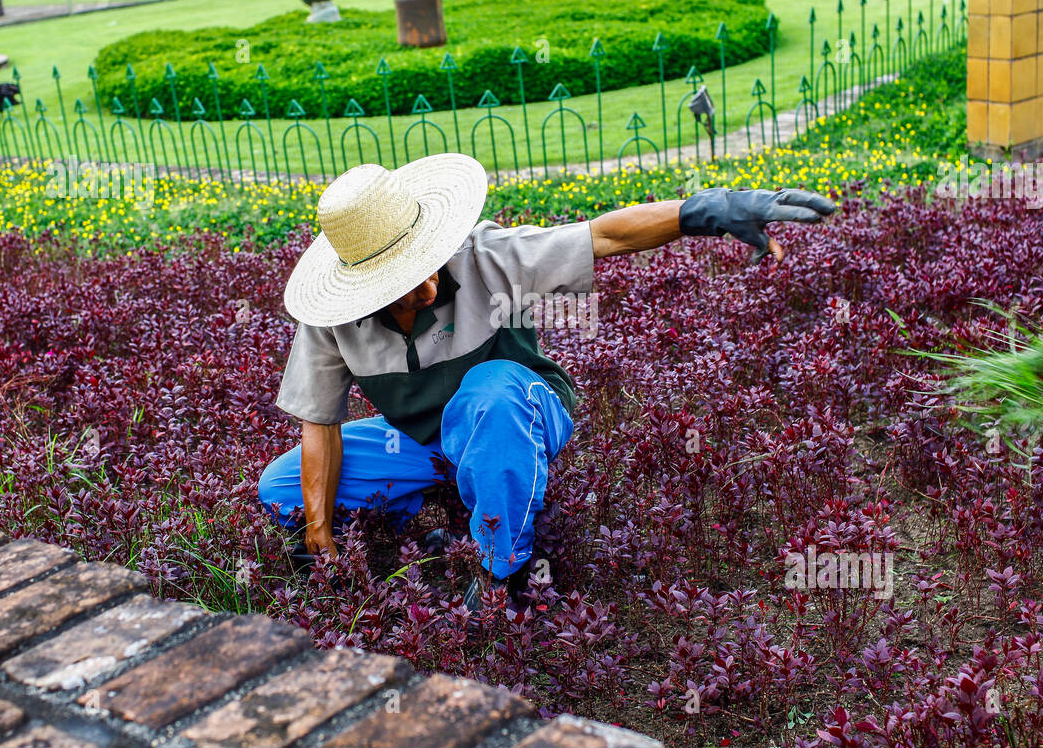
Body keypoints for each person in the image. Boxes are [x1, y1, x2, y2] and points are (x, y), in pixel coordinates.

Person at [259, 154, 835, 610]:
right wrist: (320, 532)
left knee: (490, 394)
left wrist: (704, 212)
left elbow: (603, 235)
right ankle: (456, 504)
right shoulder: (330, 320)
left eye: (424, 266)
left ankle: (498, 570)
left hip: (521, 405)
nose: (426, 290)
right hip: (425, 438)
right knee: (281, 487)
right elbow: (321, 422)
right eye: (401, 285)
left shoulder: (487, 255)